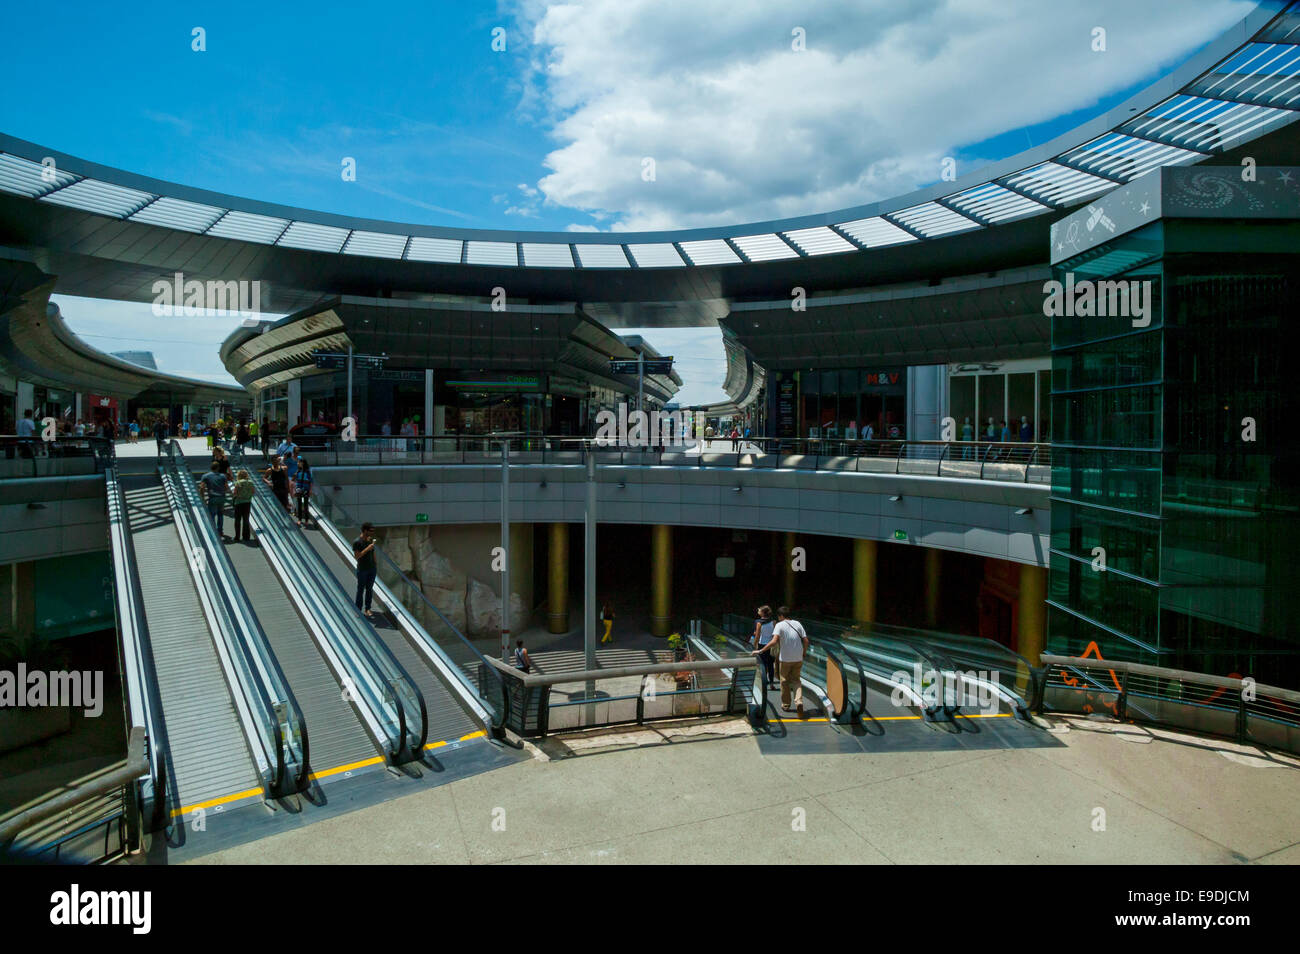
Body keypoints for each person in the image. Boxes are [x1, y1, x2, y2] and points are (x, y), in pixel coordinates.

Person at [753, 605, 809, 716]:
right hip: (798, 658)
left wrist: (761, 650)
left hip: (786, 659)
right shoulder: (798, 623)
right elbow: (806, 641)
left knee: (784, 681)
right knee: (797, 681)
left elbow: (774, 642)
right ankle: (799, 702)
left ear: (781, 616)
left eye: (779, 616)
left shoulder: (780, 625)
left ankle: (786, 705)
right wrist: (804, 653)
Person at [198, 461, 231, 539]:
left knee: (212, 515)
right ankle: (220, 531)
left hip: (212, 498)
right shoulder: (223, 476)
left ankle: (213, 531)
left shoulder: (205, 476)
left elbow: (201, 487)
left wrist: (203, 498)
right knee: (220, 515)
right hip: (221, 498)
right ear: (218, 468)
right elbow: (226, 487)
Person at [352, 522, 378, 618]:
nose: (372, 532)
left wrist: (375, 564)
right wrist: (368, 548)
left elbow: (373, 552)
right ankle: (358, 609)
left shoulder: (370, 540)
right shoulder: (357, 542)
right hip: (362, 569)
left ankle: (368, 609)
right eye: (370, 531)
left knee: (369, 589)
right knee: (360, 589)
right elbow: (357, 556)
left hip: (372, 569)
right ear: (365, 530)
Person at [751, 605, 778, 690]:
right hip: (771, 645)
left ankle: (764, 682)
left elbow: (758, 636)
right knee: (770, 665)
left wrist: (754, 646)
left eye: (759, 610)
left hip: (762, 645)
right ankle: (772, 684)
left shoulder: (759, 623)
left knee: (763, 665)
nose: (758, 611)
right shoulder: (774, 622)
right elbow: (775, 633)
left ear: (763, 613)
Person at [231, 468, 256, 543]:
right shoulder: (250, 482)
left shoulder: (238, 483)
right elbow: (253, 492)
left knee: (237, 520)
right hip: (247, 502)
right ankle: (246, 536)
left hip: (238, 503)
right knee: (246, 519)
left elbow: (235, 493)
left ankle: (237, 537)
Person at [294, 457, 313, 527]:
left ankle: (306, 520)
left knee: (305, 505)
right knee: (299, 505)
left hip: (306, 489)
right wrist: (295, 489)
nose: (298, 463)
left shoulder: (308, 471)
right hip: (299, 489)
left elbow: (311, 481)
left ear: (303, 463)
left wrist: (310, 490)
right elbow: (296, 480)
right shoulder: (298, 471)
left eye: (299, 462)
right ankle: (299, 519)